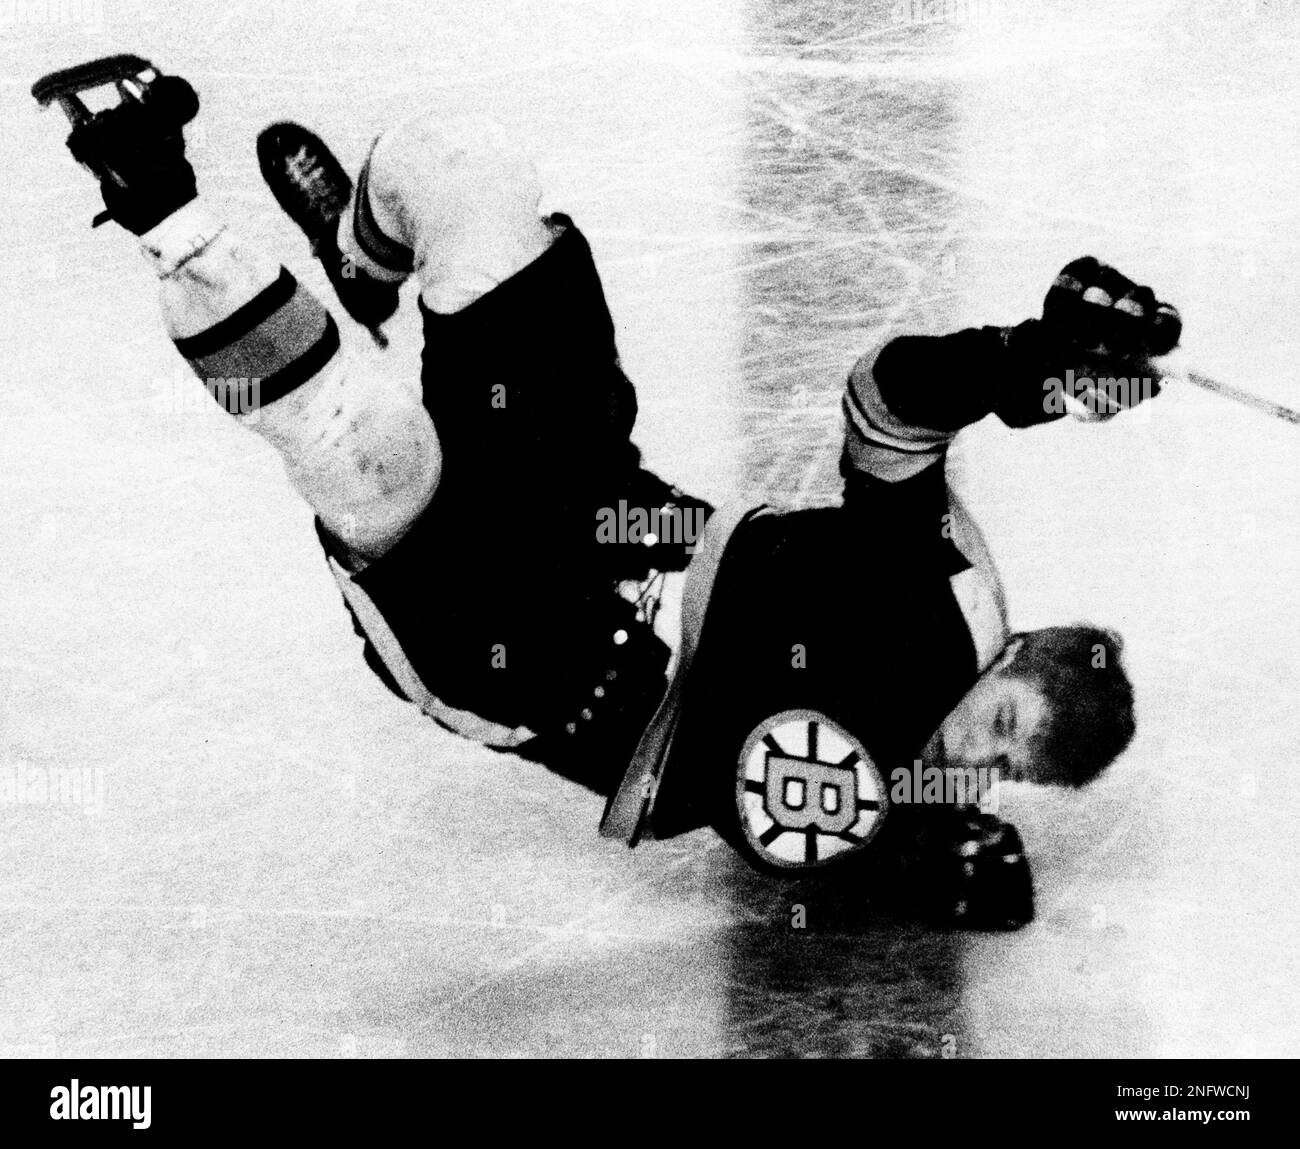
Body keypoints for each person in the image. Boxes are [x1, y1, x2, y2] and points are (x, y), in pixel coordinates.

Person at [42, 57, 1178, 927]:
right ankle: (361, 264)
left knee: (353, 437)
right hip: (591, 495)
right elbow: (891, 401)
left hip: (525, 652)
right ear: (1013, 645)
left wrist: (918, 864)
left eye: (1011, 773)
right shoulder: (943, 590)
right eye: (1011, 726)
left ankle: (160, 208)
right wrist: (1028, 363)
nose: (984, 762)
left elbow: (814, 830)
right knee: (457, 164)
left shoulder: (874, 812)